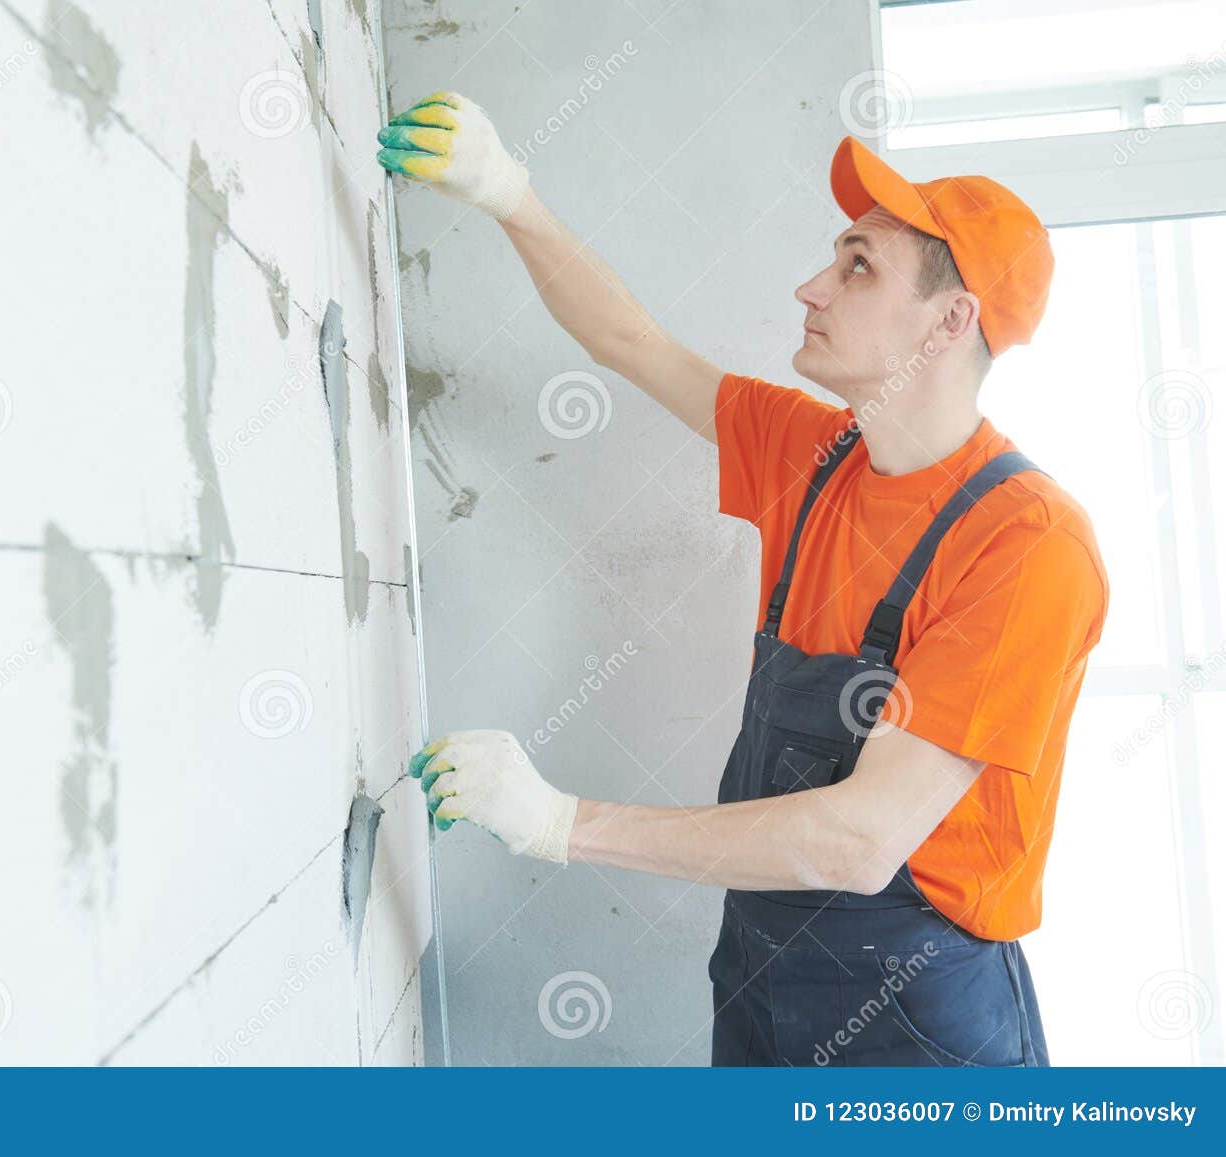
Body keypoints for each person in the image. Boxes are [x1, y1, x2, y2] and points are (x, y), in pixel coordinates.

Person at [377, 92, 1109, 1067]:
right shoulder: (815, 455)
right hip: (764, 969)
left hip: (916, 1021)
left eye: (857, 266)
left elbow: (858, 841)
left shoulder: (1027, 547)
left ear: (948, 322)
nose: (811, 287)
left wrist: (558, 823)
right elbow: (631, 344)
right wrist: (509, 192)